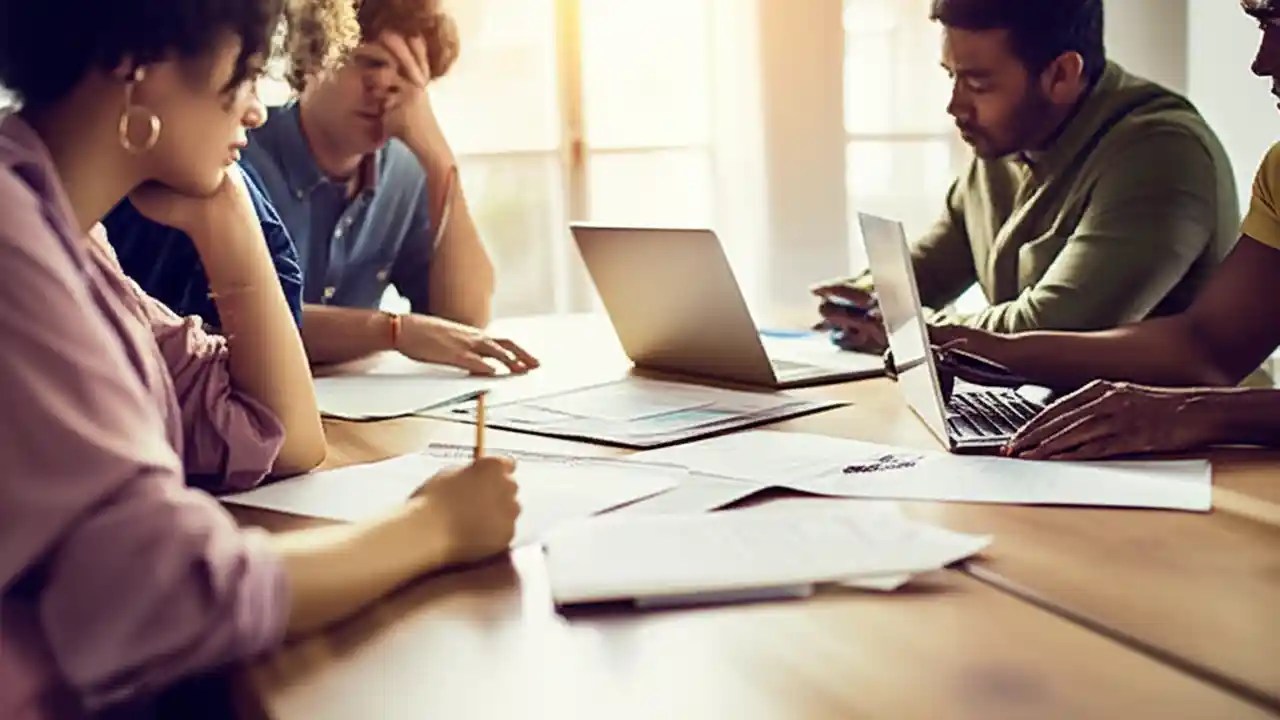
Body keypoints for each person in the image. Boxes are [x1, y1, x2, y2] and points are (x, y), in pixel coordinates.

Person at [0, 2, 520, 718]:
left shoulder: (71, 238)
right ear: (139, 64)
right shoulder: (12, 239)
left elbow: (279, 434)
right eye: (244, 73)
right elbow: (166, 593)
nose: (254, 110)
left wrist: (231, 220)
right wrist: (436, 528)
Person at [924, 1, 1280, 461]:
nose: (1261, 61)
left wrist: (1205, 412)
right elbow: (1206, 346)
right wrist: (989, 348)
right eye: (1262, 26)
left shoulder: (1161, 148)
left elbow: (1201, 370)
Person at [815, 0, 1239, 354]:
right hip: (1054, 427)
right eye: (952, 76)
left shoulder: (1161, 152)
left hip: (1189, 446)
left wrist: (912, 329)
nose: (955, 106)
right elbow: (932, 267)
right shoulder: (1008, 139)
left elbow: (1053, 329)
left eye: (978, 85)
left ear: (1061, 75)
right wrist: (864, 298)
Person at [243, 0, 539, 377]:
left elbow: (464, 319)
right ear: (312, 56)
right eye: (370, 62)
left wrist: (439, 161)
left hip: (354, 417)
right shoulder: (237, 158)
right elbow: (244, 320)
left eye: (409, 73)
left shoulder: (404, 173)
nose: (386, 87)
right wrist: (393, 332)